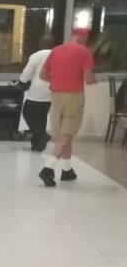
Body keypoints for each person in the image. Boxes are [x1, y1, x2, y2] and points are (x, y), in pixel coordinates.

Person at [38, 27, 97, 186]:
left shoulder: (56, 50)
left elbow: (43, 74)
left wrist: (58, 81)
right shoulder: (84, 53)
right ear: (85, 39)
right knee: (67, 133)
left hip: (56, 95)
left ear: (72, 36)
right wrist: (93, 79)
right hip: (74, 96)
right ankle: (48, 168)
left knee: (64, 135)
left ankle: (67, 170)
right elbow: (89, 78)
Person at [19, 34, 55, 152]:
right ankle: (38, 143)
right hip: (51, 90)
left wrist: (21, 83)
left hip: (37, 89)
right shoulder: (57, 55)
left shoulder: (36, 55)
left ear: (41, 44)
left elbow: (27, 72)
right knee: (42, 116)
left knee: (28, 113)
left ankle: (42, 135)